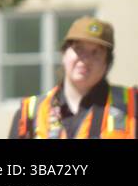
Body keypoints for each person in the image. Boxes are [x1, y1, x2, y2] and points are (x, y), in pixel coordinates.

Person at [8, 16, 136, 138]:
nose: (85, 59)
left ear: (107, 62)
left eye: (95, 52)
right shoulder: (30, 113)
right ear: (64, 54)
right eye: (78, 49)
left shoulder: (132, 105)